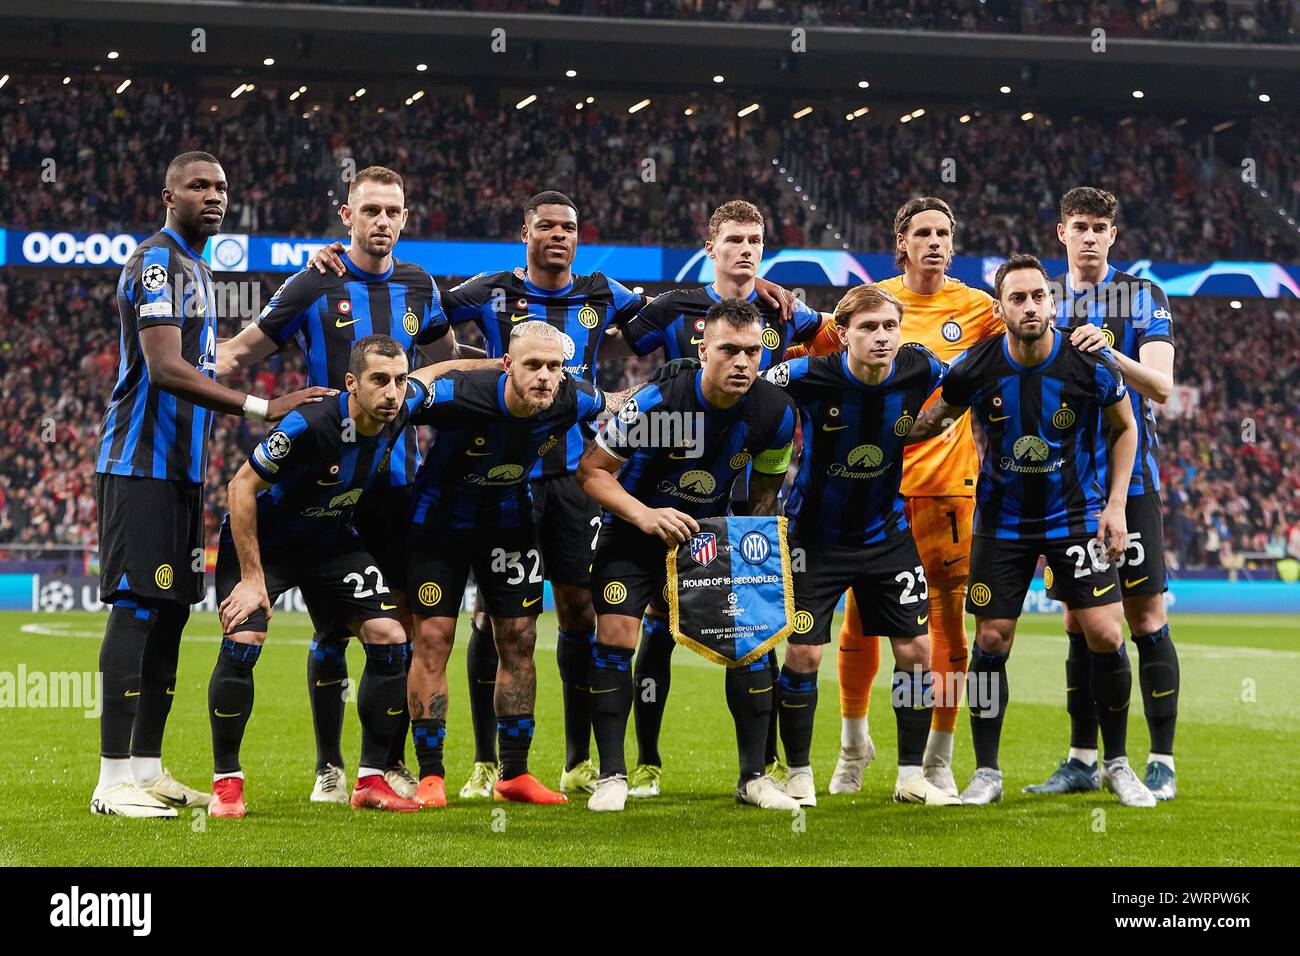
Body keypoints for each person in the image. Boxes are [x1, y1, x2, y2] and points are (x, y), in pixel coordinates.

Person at [91, 151, 332, 818]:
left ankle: (146, 768)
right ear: (169, 193)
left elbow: (212, 358)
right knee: (137, 610)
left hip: (178, 472)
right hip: (137, 465)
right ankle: (111, 781)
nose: (213, 196)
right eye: (199, 186)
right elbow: (166, 369)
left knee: (167, 616)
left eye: (222, 186)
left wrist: (300, 279)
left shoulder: (199, 269)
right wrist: (261, 406)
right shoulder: (156, 262)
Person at [217, 165, 459, 803]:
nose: (383, 220)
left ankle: (385, 764)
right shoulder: (312, 281)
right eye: (371, 209)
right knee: (330, 633)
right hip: (316, 476)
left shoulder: (419, 284)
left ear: (405, 218)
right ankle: (329, 764)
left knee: (394, 624)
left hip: (393, 483)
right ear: (347, 216)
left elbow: (445, 367)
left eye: (394, 210)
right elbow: (237, 353)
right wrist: (257, 403)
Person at [905, 254, 1155, 807]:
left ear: (1051, 300)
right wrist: (889, 406)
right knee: (992, 640)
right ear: (1002, 308)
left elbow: (1126, 427)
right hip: (1001, 525)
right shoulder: (978, 365)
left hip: (1074, 520)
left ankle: (1116, 764)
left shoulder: (1087, 363)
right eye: (1017, 298)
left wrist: (1115, 506)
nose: (1029, 306)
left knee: (1108, 636)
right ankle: (987, 773)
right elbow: (930, 422)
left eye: (1038, 296)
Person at [608, 198, 830, 799]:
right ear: (712, 248)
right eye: (734, 239)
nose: (747, 249)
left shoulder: (786, 308)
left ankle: (764, 770)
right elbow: (623, 325)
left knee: (752, 633)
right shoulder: (678, 308)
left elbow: (843, 334)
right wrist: (608, 403)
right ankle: (643, 762)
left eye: (756, 239)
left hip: (744, 484)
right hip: (667, 475)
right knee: (655, 626)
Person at [208, 335, 466, 817]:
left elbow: (436, 373)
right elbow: (240, 485)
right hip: (269, 539)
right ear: (351, 383)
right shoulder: (308, 424)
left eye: (398, 380)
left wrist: (501, 362)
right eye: (379, 381)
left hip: (330, 537)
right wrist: (251, 577)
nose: (392, 392)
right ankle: (227, 784)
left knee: (391, 635)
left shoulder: (401, 405)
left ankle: (370, 780)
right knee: (244, 639)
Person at [577, 297, 797, 813]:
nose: (742, 362)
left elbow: (764, 493)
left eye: (751, 351)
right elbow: (592, 471)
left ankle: (754, 779)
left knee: (750, 640)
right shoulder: (660, 405)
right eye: (729, 351)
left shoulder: (774, 412)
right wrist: (644, 515)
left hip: (707, 538)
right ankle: (613, 776)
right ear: (704, 350)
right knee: (615, 638)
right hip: (632, 532)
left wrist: (748, 551)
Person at [403, 321, 622, 807]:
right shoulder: (459, 394)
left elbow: (621, 407)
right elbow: (394, 403)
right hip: (440, 525)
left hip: (509, 522)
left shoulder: (573, 398)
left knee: (520, 638)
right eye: (533, 365)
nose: (546, 376)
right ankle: (431, 774)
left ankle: (514, 774)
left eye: (555, 366)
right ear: (507, 364)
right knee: (434, 638)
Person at [765, 284, 960, 807]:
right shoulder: (811, 374)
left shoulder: (918, 367)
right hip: (814, 537)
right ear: (844, 333)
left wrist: (935, 423)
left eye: (889, 327)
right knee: (804, 652)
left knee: (918, 651)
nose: (881, 337)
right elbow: (750, 389)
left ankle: (911, 777)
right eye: (868, 328)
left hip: (885, 534)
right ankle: (800, 773)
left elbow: (965, 384)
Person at [1025, 186, 1181, 801]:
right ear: (1060, 232)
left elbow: (1162, 387)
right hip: (1063, 491)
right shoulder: (1042, 298)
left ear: (1113, 236)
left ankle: (1161, 761)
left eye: (1099, 228)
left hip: (1131, 483)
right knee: (1079, 621)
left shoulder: (1143, 296)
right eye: (1078, 227)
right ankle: (1081, 760)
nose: (1089, 237)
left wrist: (1110, 351)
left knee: (1145, 619)